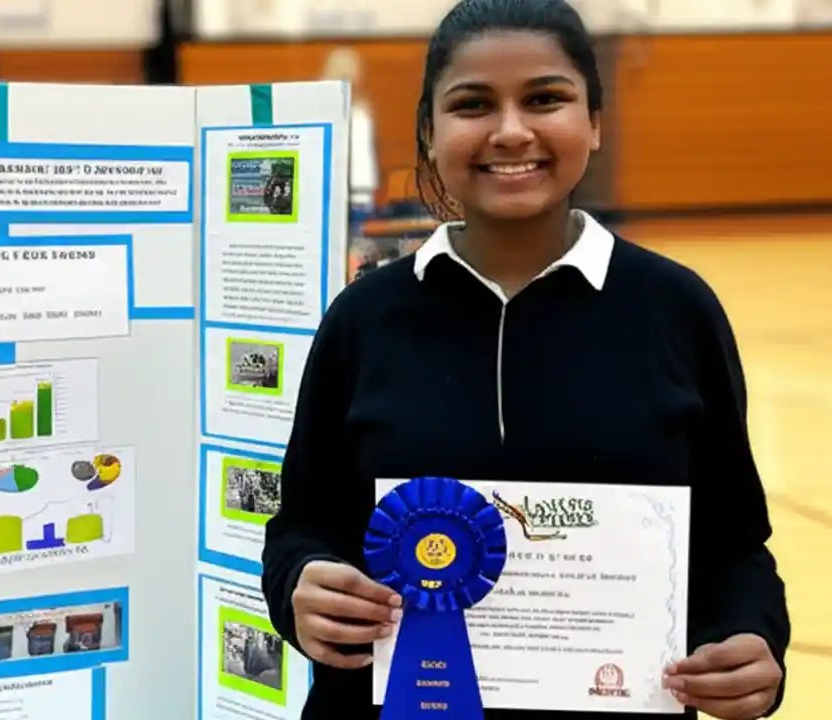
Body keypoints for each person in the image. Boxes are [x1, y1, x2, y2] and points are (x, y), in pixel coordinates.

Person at [260, 1, 791, 719]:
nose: (511, 131)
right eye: (473, 105)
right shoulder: (364, 318)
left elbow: (734, 545)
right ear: (430, 130)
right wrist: (302, 584)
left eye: (545, 98)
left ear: (594, 122)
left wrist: (752, 639)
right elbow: (301, 525)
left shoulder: (677, 310)